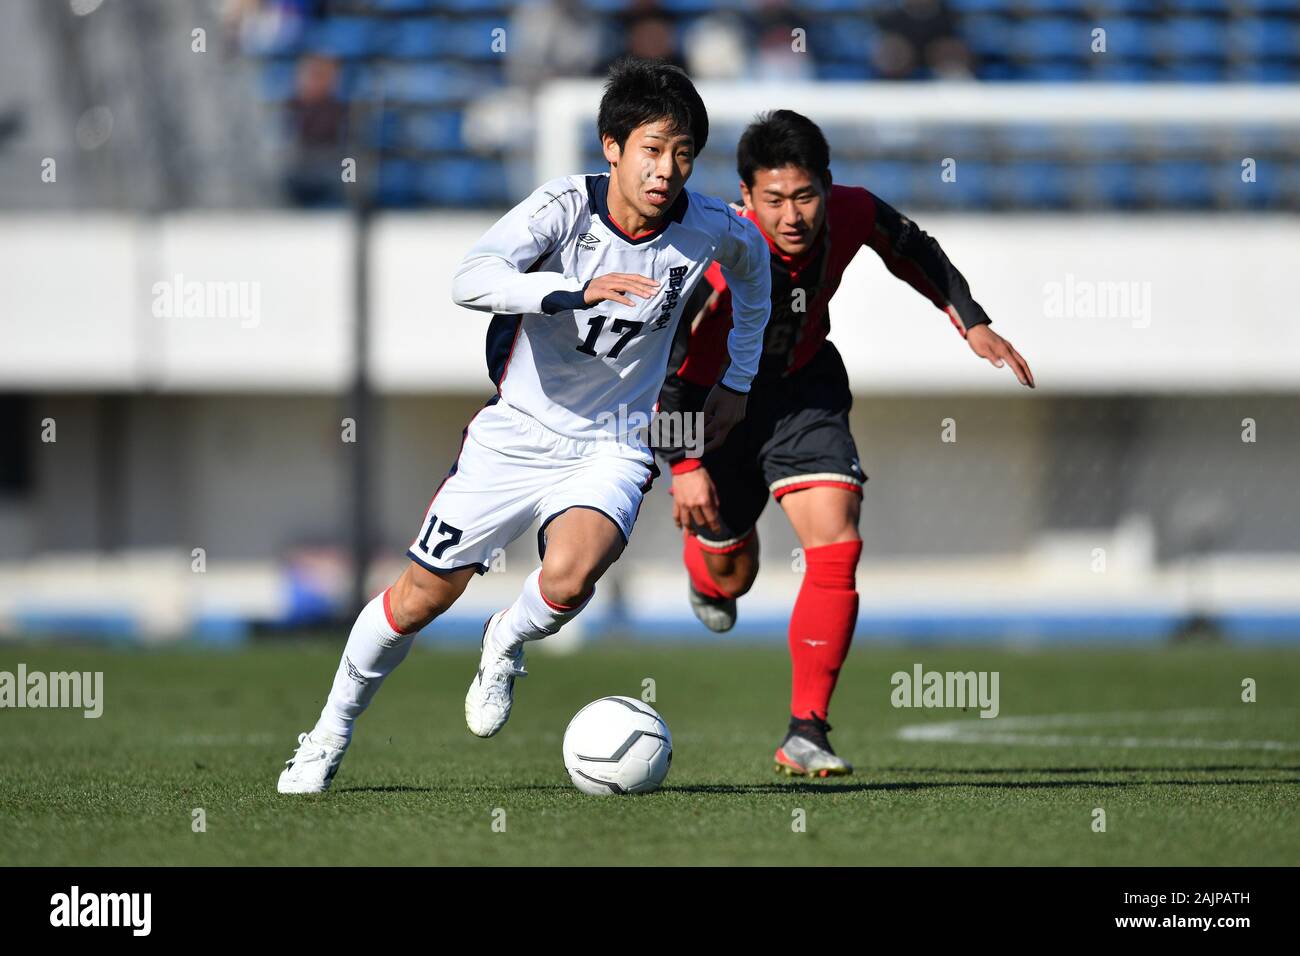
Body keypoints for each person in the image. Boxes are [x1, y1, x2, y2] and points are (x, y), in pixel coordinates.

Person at [277, 58, 771, 794]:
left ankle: (504, 641)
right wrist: (570, 289)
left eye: (683, 153)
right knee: (419, 597)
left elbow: (756, 269)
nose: (667, 169)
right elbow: (471, 277)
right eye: (652, 148)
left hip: (615, 440)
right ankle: (325, 736)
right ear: (612, 146)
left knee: (570, 579)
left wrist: (737, 378)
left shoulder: (708, 228)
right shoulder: (562, 207)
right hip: (517, 434)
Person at [656, 109, 1034, 777]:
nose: (792, 214)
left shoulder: (853, 212)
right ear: (745, 197)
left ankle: (807, 731)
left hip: (804, 391)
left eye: (805, 196)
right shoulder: (712, 257)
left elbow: (912, 248)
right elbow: (666, 369)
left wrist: (969, 320)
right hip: (714, 407)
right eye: (773, 199)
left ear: (827, 188)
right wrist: (684, 465)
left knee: (837, 537)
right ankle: (711, 563)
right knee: (731, 575)